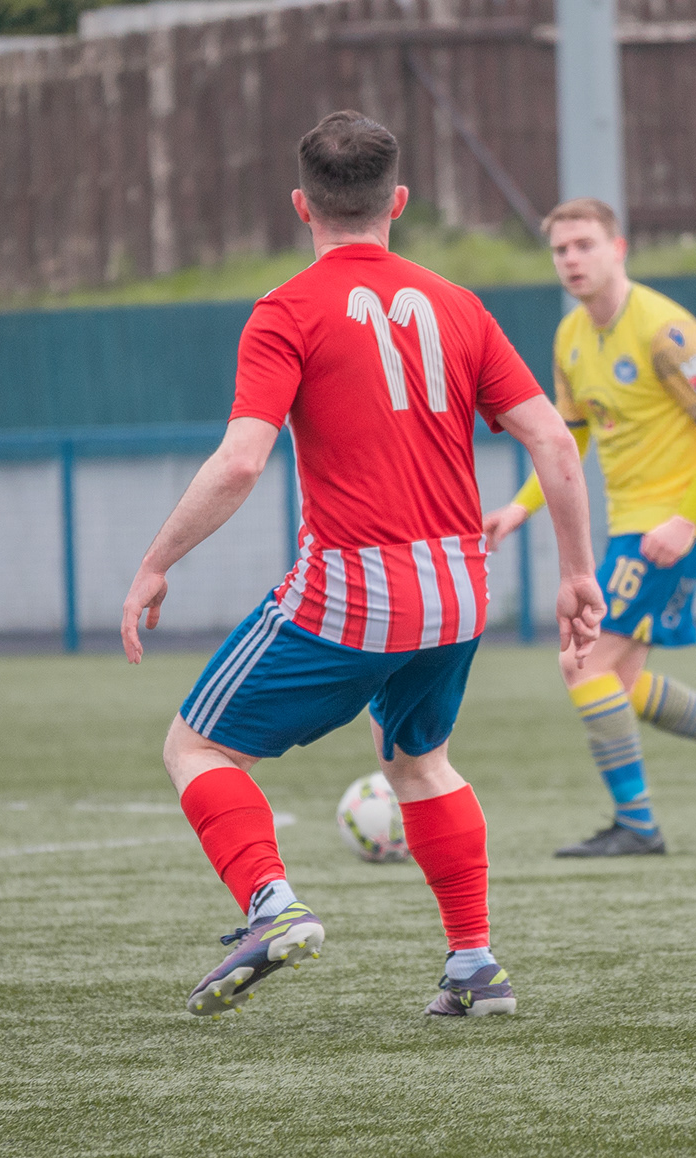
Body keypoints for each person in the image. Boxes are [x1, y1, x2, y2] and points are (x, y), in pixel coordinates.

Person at [121, 112, 603, 1020]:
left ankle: (272, 905)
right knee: (419, 760)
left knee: (195, 745)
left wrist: (155, 562)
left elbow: (238, 462)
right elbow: (553, 441)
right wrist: (576, 572)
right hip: (461, 589)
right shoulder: (460, 304)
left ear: (302, 204)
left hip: (354, 587)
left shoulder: (286, 310)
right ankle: (473, 967)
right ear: (401, 203)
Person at [482, 199, 696, 859]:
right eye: (561, 249)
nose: (571, 259)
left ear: (617, 248)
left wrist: (683, 518)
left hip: (679, 527)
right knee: (616, 683)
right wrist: (518, 507)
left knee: (580, 661)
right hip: (636, 529)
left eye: (584, 245)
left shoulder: (664, 330)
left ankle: (639, 826)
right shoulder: (570, 339)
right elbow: (571, 441)